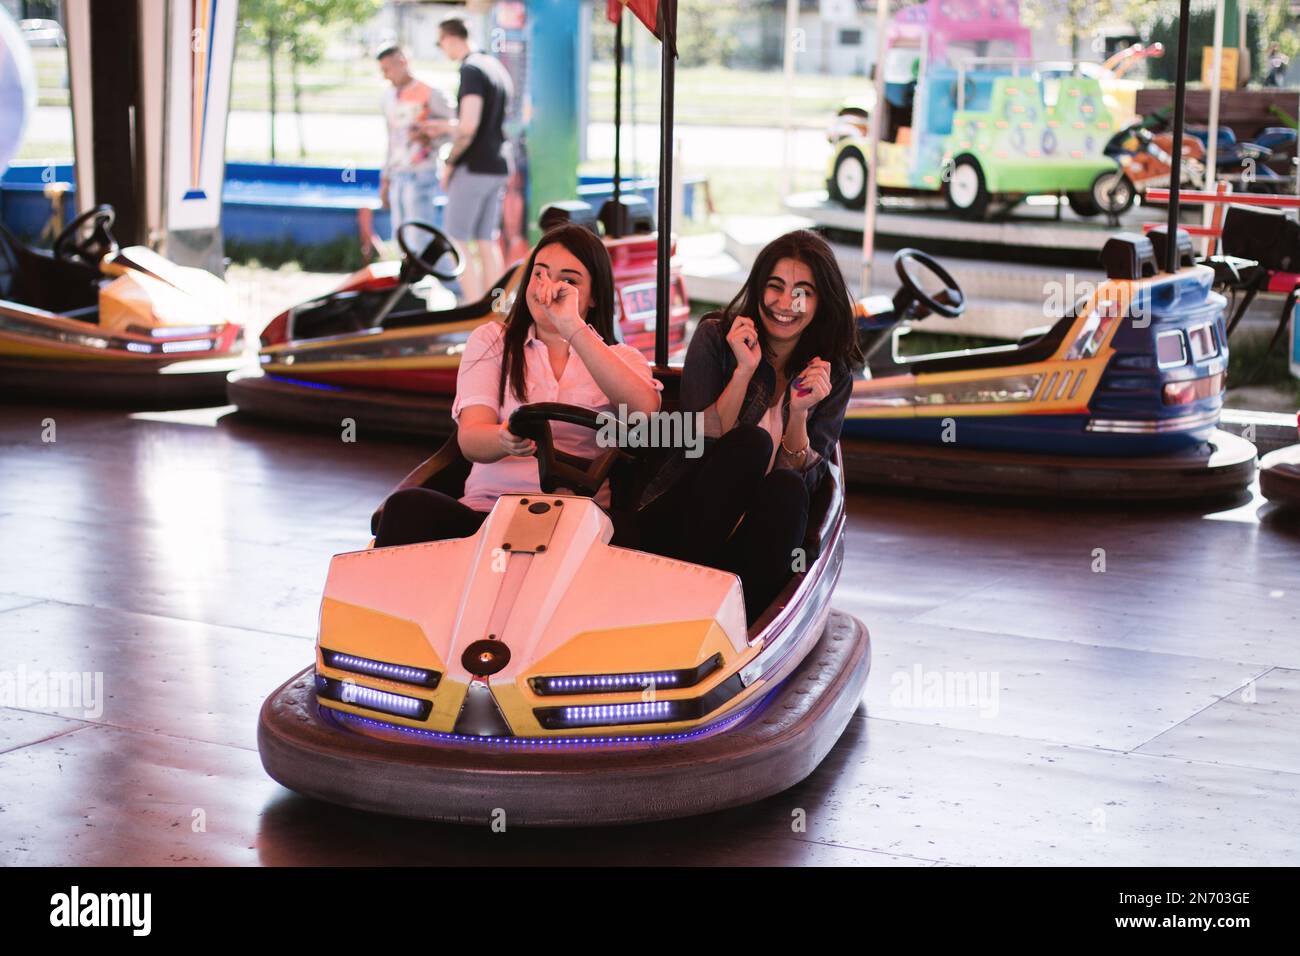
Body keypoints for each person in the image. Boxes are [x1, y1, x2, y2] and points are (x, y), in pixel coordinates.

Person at [373, 224, 662, 547]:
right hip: (489, 512)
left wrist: (571, 327)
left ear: (594, 296)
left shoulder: (620, 358)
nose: (549, 288)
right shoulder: (492, 341)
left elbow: (647, 411)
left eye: (568, 280)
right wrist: (503, 437)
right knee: (406, 508)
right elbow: (470, 438)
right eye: (540, 274)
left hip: (577, 523)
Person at [639, 230, 859, 622]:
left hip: (758, 543)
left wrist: (800, 412)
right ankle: (681, 600)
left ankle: (745, 628)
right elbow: (696, 446)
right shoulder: (715, 338)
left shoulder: (833, 374)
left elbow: (804, 487)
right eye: (775, 287)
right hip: (685, 522)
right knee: (751, 445)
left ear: (821, 301)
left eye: (802, 291)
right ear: (758, 289)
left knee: (788, 488)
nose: (785, 303)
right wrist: (743, 372)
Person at [418, 16, 514, 302]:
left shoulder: (471, 69)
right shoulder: (494, 66)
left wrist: (449, 162)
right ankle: (497, 307)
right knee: (486, 240)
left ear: (449, 38)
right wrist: (449, 127)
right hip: (497, 164)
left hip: (474, 166)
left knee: (457, 240)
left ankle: (473, 308)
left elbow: (469, 126)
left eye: (439, 42)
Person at [376, 44, 455, 235]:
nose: (386, 76)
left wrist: (431, 140)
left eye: (388, 69)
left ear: (402, 62)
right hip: (397, 174)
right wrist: (385, 178)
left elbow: (455, 126)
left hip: (421, 173)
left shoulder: (430, 93)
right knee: (400, 235)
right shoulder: (388, 96)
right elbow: (391, 139)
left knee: (420, 237)